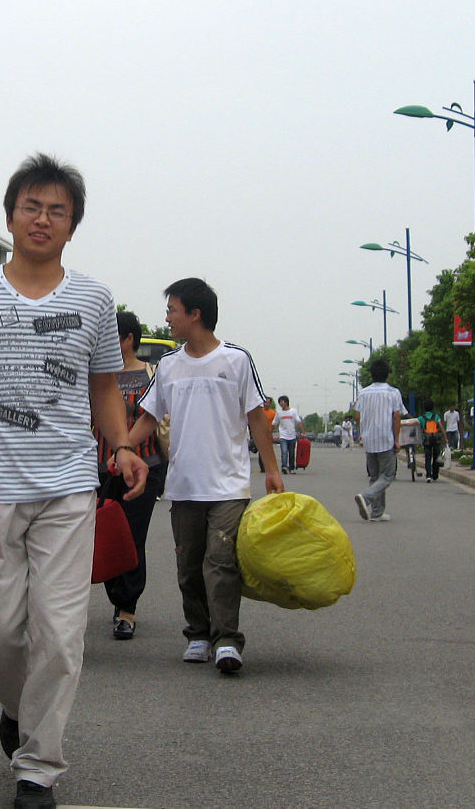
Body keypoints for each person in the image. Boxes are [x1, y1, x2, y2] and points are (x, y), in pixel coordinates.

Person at [0, 153, 148, 809]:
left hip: (68, 484)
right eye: (32, 206)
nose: (43, 219)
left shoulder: (94, 298)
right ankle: (18, 704)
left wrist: (122, 442)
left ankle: (37, 766)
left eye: (58, 210)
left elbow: (105, 386)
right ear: (11, 215)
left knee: (60, 630)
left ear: (72, 225)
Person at [128, 277, 282, 677]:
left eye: (172, 311)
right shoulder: (169, 365)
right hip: (184, 484)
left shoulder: (236, 360)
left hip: (229, 483)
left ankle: (227, 639)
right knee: (189, 564)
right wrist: (124, 450)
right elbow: (148, 415)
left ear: (195, 314)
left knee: (221, 561)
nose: (167, 318)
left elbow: (255, 418)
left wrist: (272, 471)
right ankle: (198, 631)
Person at [94, 310, 166, 641]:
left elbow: (154, 419)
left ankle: (126, 608)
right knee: (104, 537)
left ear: (128, 340)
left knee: (132, 536)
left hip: (142, 469)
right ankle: (115, 596)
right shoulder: (96, 376)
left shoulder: (151, 376)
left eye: (111, 336)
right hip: (98, 468)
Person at [351, 358, 407, 522]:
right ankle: (366, 497)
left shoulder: (363, 393)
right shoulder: (392, 392)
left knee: (375, 476)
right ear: (388, 375)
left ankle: (377, 512)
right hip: (385, 438)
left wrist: (363, 432)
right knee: (388, 475)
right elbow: (396, 416)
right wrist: (397, 440)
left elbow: (358, 416)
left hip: (369, 439)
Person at [273, 395, 306, 474]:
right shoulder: (279, 413)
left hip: (292, 436)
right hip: (283, 436)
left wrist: (303, 432)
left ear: (286, 402)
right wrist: (269, 432)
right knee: (284, 452)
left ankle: (291, 468)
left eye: (282, 402)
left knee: (291, 453)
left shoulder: (293, 411)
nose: (281, 404)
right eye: (279, 402)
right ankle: (284, 466)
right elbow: (274, 423)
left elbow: (299, 422)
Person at [416, 400, 445, 482]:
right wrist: (445, 438)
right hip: (436, 440)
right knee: (436, 458)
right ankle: (435, 475)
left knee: (428, 458)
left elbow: (411, 423)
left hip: (427, 440)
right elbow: (441, 427)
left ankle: (428, 475)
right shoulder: (436, 417)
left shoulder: (421, 418)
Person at [257, 396, 276, 472]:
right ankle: (262, 467)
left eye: (267, 402)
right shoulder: (260, 412)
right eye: (265, 402)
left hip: (268, 433)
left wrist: (271, 431)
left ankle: (267, 466)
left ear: (270, 404)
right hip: (260, 433)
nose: (266, 404)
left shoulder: (273, 413)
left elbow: (275, 424)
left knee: (268, 451)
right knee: (261, 450)